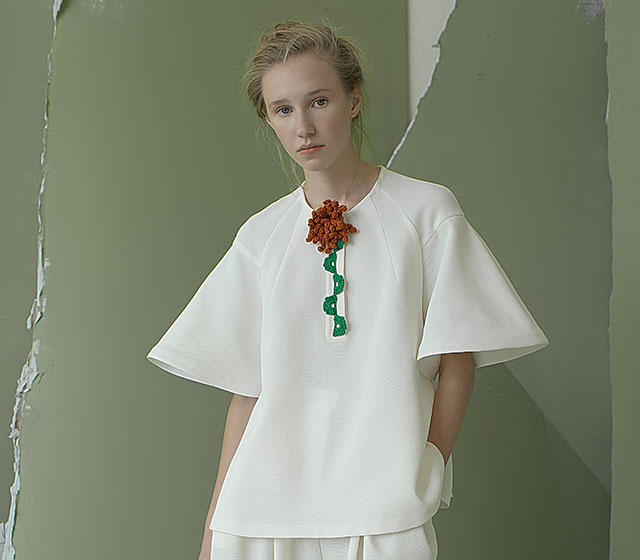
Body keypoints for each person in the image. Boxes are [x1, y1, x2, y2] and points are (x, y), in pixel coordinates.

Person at [146, 19, 549, 560]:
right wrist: (213, 531)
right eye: (282, 110)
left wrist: (427, 467)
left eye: (319, 101)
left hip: (382, 504)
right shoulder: (262, 236)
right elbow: (248, 393)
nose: (303, 127)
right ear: (269, 119)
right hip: (262, 510)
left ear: (353, 100)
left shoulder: (425, 212)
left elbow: (458, 358)